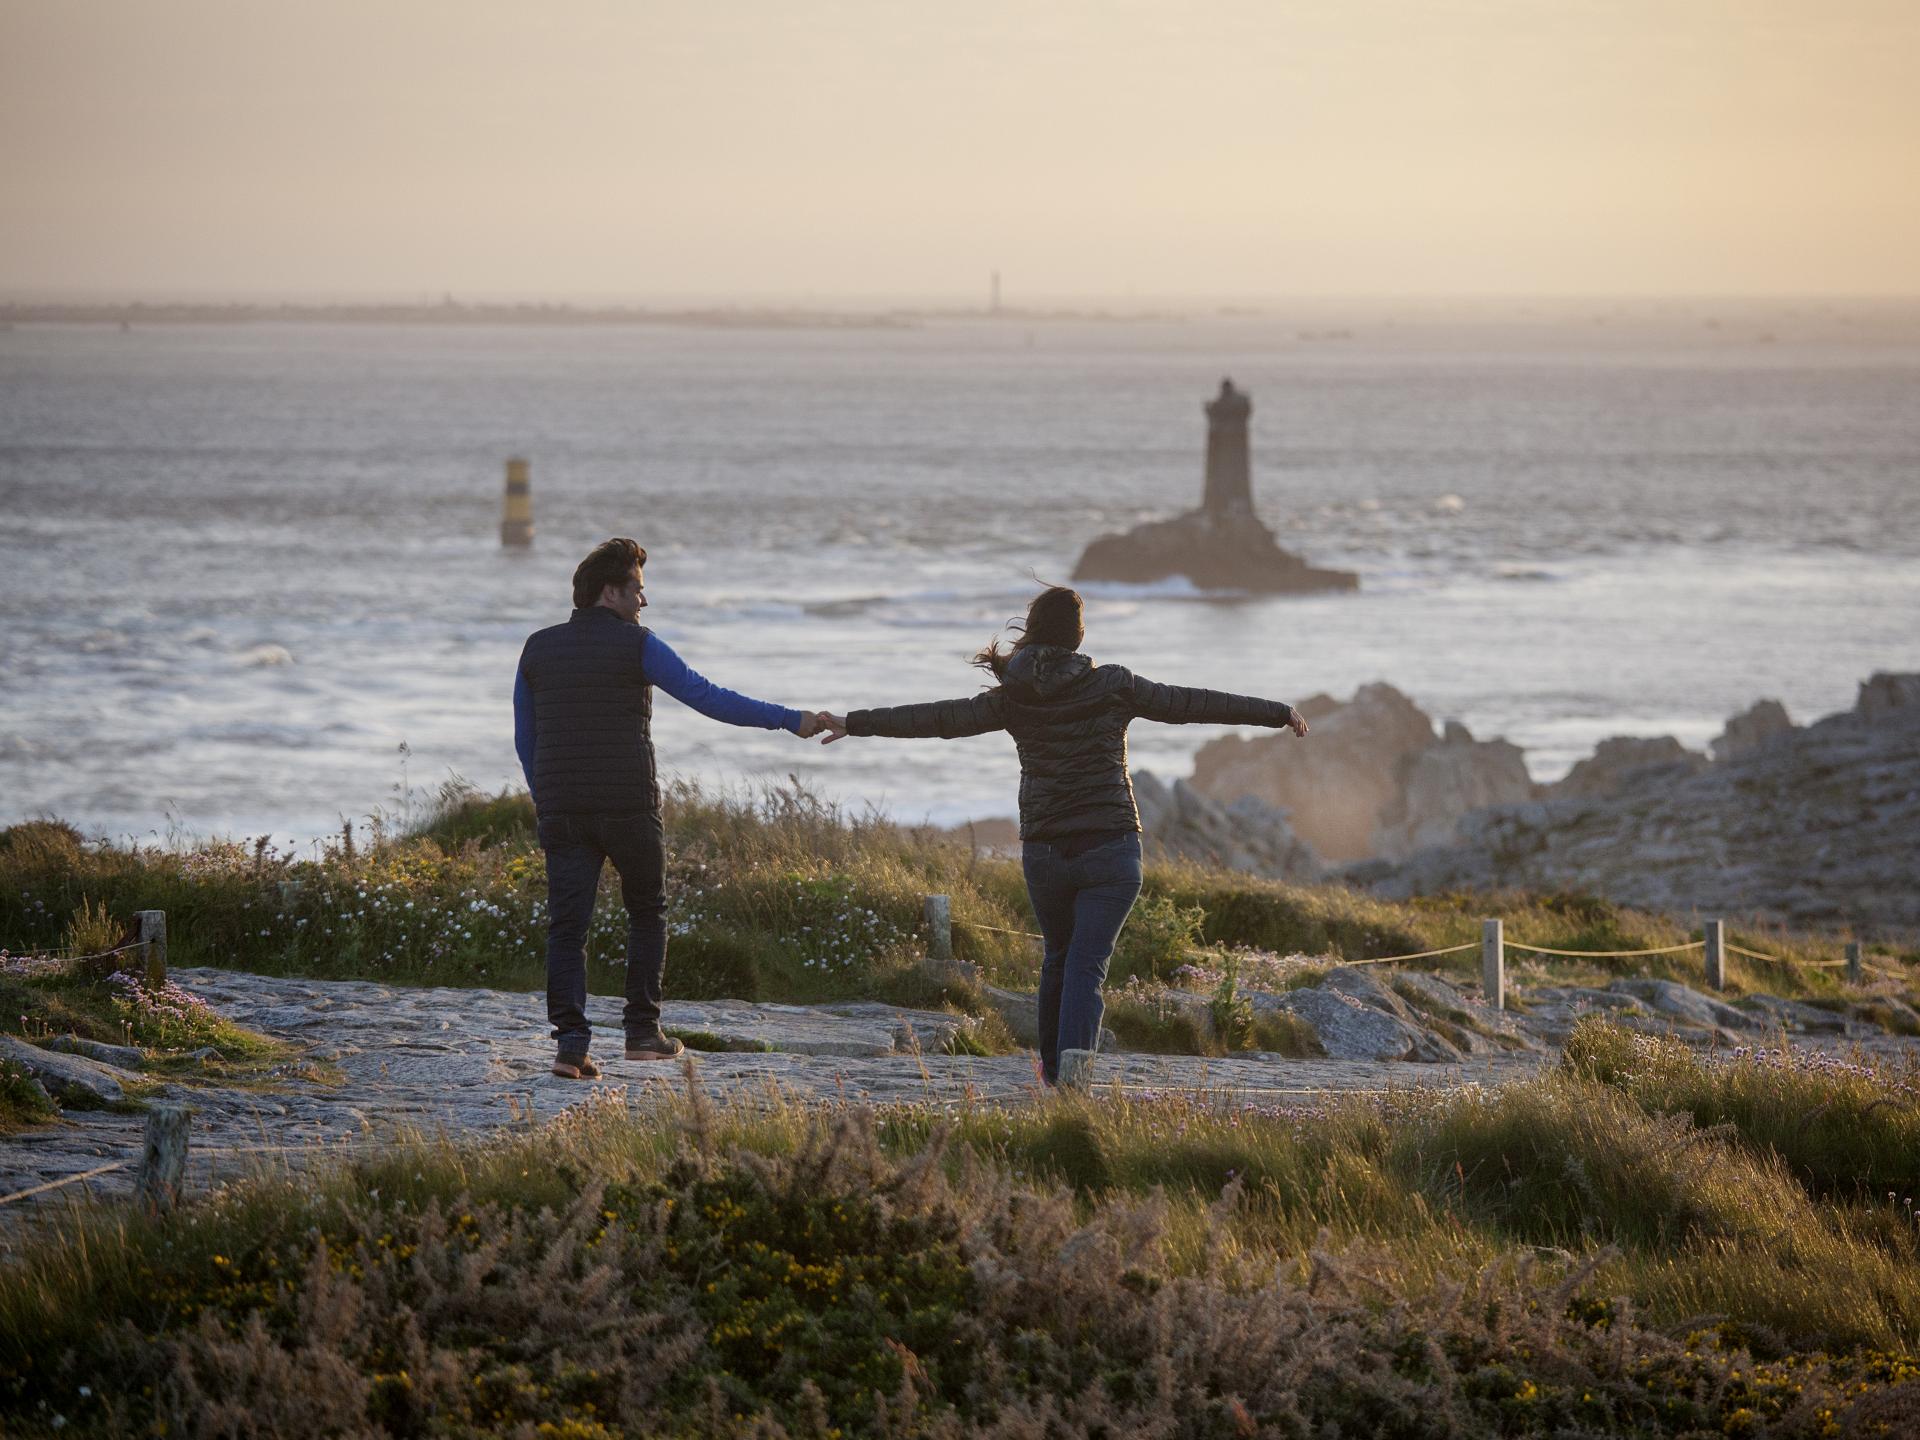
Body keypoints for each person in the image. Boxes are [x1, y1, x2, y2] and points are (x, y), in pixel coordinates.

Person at [818, 586, 1307, 1087]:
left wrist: (855, 723)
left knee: (1059, 958)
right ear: (1077, 636)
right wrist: (1275, 711)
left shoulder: (1015, 695)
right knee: (1086, 967)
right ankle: (1072, 1085)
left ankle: (1052, 1077)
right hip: (1111, 847)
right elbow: (1190, 704)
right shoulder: (1114, 684)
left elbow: (938, 719)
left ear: (1032, 631)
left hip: (1046, 851)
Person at [515, 537, 828, 1078]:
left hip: (563, 809)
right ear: (611, 592)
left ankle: (571, 1046)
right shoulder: (638, 644)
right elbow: (709, 697)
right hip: (628, 805)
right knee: (647, 913)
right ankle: (641, 1033)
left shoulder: (536, 648)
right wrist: (788, 718)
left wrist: (548, 801)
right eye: (638, 589)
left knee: (567, 926)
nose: (644, 601)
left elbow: (526, 738)